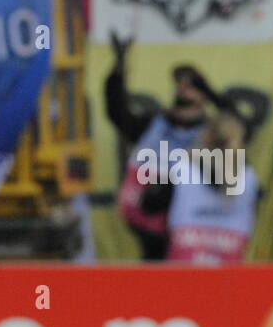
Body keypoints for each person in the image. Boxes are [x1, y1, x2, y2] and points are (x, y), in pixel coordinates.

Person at [106, 34, 220, 261]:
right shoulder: (154, 125)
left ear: (204, 96)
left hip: (193, 229)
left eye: (191, 87)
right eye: (179, 86)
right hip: (148, 223)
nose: (182, 92)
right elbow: (117, 112)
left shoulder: (215, 134)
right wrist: (119, 68)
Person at [166, 111, 259, 264]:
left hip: (185, 252)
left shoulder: (182, 168)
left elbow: (155, 208)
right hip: (230, 253)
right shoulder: (248, 175)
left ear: (205, 136)